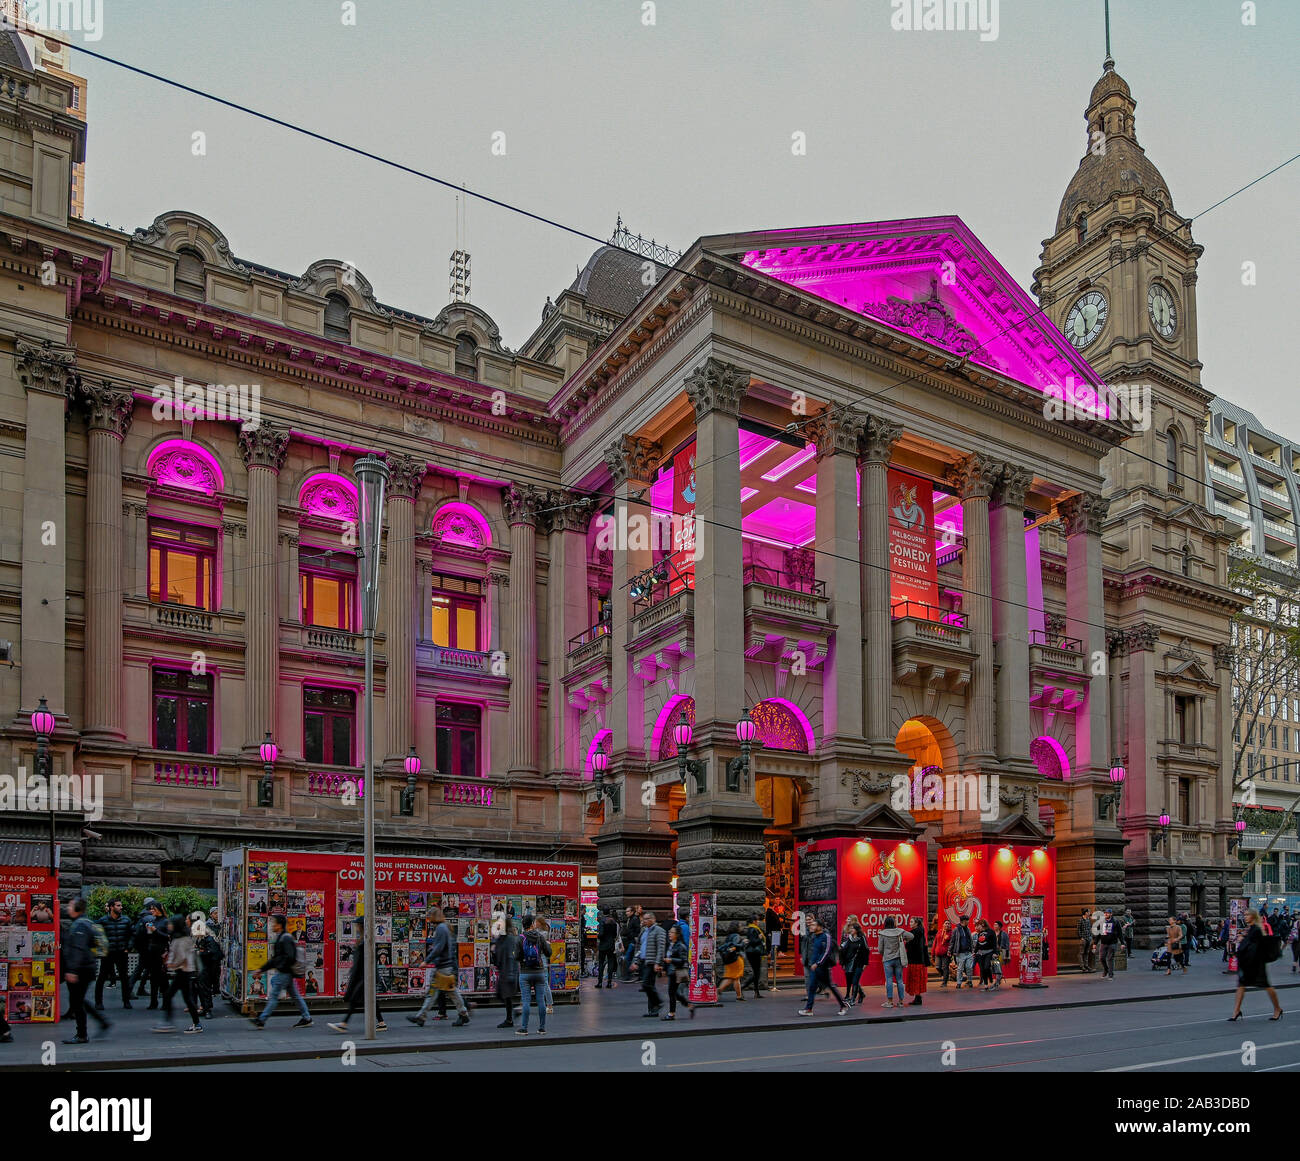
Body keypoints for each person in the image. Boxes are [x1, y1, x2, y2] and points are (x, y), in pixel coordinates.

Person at [409, 906, 470, 1028]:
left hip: (443, 967)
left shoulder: (441, 928)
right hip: (445, 966)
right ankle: (422, 1016)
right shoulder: (444, 927)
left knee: (443, 992)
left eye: (429, 916)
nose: (428, 919)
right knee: (443, 991)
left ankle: (462, 1014)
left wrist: (426, 961)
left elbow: (439, 948)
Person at [62, 897, 110, 1045]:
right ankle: (102, 1022)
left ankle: (82, 1034)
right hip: (86, 967)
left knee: (77, 1001)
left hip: (81, 969)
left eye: (70, 906)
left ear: (78, 909)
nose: (68, 908)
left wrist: (72, 970)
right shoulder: (84, 923)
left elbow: (78, 949)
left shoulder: (80, 926)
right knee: (79, 1000)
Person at [252, 913, 312, 1028]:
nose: (272, 925)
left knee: (274, 995)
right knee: (295, 995)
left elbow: (288, 957)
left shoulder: (285, 938)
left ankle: (262, 1019)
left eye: (274, 923)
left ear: (279, 925)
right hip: (286, 972)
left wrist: (281, 966)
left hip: (284, 972)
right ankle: (307, 1017)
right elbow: (276, 958)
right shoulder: (282, 937)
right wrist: (262, 969)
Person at [328, 920, 387, 1032]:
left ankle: (344, 1023)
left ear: (361, 926)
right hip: (364, 976)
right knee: (371, 1000)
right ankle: (381, 1023)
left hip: (365, 976)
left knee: (355, 1000)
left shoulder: (365, 941)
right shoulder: (365, 940)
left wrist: (354, 977)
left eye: (357, 925)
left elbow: (362, 962)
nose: (356, 927)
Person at [1228, 909, 1283, 1022]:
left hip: (1256, 964)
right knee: (1241, 986)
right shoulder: (1250, 929)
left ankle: (1277, 1008)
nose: (1245, 917)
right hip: (1247, 963)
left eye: (1247, 915)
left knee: (1267, 986)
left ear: (1253, 916)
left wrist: (1242, 940)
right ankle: (1236, 1011)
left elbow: (1254, 947)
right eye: (1245, 915)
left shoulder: (1256, 930)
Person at [154, 914, 203, 1034]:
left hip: (183, 972)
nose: (169, 926)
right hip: (185, 971)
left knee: (170, 995)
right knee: (187, 999)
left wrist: (170, 964)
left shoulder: (179, 940)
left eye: (171, 923)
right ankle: (196, 1024)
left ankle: (168, 1022)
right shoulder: (183, 938)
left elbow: (181, 957)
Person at [798, 916, 848, 1016]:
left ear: (820, 927)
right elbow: (813, 951)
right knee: (812, 987)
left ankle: (843, 1005)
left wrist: (818, 963)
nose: (811, 926)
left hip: (823, 968)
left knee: (831, 986)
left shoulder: (826, 936)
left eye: (813, 925)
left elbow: (826, 952)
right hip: (814, 967)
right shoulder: (814, 937)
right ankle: (808, 1009)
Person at [93, 898, 134, 1012]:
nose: (121, 907)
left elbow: (132, 934)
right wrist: (101, 948)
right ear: (111, 907)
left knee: (124, 978)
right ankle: (98, 1002)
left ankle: (126, 1001)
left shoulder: (126, 920)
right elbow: (96, 933)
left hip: (121, 952)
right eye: (118, 905)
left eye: (120, 905)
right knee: (102, 977)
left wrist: (128, 947)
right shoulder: (103, 920)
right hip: (108, 953)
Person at [130, 898, 169, 1007]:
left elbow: (168, 937)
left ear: (158, 909)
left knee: (162, 979)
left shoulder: (165, 921)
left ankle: (165, 1002)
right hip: (152, 952)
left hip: (161, 953)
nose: (151, 911)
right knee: (153, 978)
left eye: (153, 909)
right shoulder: (153, 920)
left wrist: (155, 931)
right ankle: (153, 1002)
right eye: (151, 909)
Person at [516, 913, 552, 1034]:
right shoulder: (540, 937)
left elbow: (516, 956)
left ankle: (524, 1028)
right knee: (541, 1001)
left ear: (523, 925)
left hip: (525, 973)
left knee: (526, 1001)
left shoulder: (520, 938)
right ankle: (542, 1028)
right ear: (532, 924)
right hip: (539, 972)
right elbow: (549, 953)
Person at [876, 916, 913, 1008]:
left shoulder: (882, 934)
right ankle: (901, 1002)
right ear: (893, 923)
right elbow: (911, 936)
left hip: (887, 960)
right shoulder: (899, 932)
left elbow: (880, 949)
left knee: (889, 980)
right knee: (900, 980)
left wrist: (885, 953)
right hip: (898, 959)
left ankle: (889, 1002)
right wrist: (904, 940)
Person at [492, 918, 521, 1028]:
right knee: (501, 994)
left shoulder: (509, 939)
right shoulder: (503, 938)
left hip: (508, 971)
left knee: (505, 995)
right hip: (504, 970)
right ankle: (514, 1011)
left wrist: (510, 974)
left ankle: (509, 1019)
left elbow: (510, 956)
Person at [637, 909, 667, 1017]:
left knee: (646, 984)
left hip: (652, 962)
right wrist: (636, 961)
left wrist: (658, 963)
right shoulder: (644, 931)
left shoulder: (659, 931)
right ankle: (653, 1010)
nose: (645, 921)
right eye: (644, 919)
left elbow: (661, 948)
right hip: (643, 961)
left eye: (648, 919)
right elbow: (639, 946)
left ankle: (658, 1002)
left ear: (653, 919)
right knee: (649, 985)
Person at [194, 911, 223, 1019]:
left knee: (205, 989)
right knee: (203, 988)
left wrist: (201, 953)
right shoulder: (202, 940)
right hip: (205, 968)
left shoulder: (209, 939)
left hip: (209, 968)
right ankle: (205, 1008)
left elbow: (213, 953)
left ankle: (207, 1009)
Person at [663, 922, 693, 1019]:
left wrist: (671, 960)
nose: (670, 934)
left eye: (672, 932)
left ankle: (671, 1013)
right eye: (670, 932)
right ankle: (688, 1005)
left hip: (677, 972)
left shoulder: (681, 946)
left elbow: (683, 960)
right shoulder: (672, 944)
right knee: (674, 993)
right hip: (672, 971)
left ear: (677, 934)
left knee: (672, 993)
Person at [839, 919, 868, 1005]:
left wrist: (865, 963)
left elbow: (866, 951)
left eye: (852, 928)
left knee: (855, 981)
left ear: (856, 930)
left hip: (859, 963)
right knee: (852, 981)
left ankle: (852, 999)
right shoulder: (849, 939)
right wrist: (843, 962)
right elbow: (844, 951)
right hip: (849, 963)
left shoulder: (862, 938)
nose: (850, 930)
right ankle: (861, 994)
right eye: (850, 928)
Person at [718, 923, 746, 1002]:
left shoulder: (728, 936)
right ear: (736, 928)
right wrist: (743, 943)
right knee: (735, 977)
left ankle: (739, 995)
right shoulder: (736, 936)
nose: (741, 927)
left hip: (728, 959)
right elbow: (736, 945)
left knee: (732, 977)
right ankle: (721, 990)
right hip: (735, 959)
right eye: (740, 926)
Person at [904, 917, 929, 1005]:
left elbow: (909, 946)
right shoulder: (921, 932)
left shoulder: (913, 934)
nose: (910, 923)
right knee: (918, 979)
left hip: (914, 959)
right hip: (919, 960)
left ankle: (917, 998)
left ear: (916, 923)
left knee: (914, 978)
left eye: (911, 922)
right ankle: (917, 997)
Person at [595, 908, 619, 989]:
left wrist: (598, 935)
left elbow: (601, 934)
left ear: (603, 912)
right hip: (611, 945)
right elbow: (615, 935)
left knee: (601, 963)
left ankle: (600, 982)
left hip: (603, 945)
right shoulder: (613, 922)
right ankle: (609, 982)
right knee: (611, 963)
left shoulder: (602, 921)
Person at [743, 914, 766, 998]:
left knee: (757, 973)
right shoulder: (753, 929)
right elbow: (752, 942)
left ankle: (756, 992)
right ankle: (744, 986)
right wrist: (759, 938)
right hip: (754, 953)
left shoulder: (752, 928)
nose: (758, 922)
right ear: (754, 921)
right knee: (757, 973)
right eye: (757, 920)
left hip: (753, 953)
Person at [951, 914, 974, 987]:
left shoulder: (968, 929)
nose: (968, 922)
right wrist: (950, 951)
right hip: (960, 953)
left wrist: (972, 950)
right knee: (960, 969)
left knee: (969, 967)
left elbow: (970, 940)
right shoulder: (956, 930)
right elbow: (952, 941)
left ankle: (970, 981)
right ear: (963, 921)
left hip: (968, 952)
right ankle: (959, 983)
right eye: (967, 920)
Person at [974, 919, 997, 989]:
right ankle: (986, 985)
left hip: (989, 952)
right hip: (980, 953)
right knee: (982, 969)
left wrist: (995, 953)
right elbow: (978, 944)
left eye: (979, 925)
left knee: (986, 967)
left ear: (983, 924)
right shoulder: (980, 933)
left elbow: (994, 943)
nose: (978, 927)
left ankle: (990, 978)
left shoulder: (991, 932)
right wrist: (974, 952)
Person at [1096, 909, 1119, 979]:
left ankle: (1110, 974)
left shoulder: (1115, 922)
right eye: (1105, 913)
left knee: (1110, 959)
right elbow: (1098, 933)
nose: (1106, 914)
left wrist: (1123, 943)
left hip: (1112, 943)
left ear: (1111, 914)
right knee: (1101, 958)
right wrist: (1095, 943)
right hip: (1103, 943)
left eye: (1107, 913)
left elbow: (1120, 933)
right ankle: (1106, 969)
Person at [622, 906, 642, 982]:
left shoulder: (635, 919)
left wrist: (632, 936)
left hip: (633, 942)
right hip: (630, 941)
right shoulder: (630, 919)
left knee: (628, 958)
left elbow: (637, 930)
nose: (626, 913)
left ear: (632, 912)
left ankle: (628, 976)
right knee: (631, 958)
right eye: (626, 911)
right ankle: (632, 975)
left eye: (628, 911)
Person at [932, 920, 953, 987]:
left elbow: (952, 944)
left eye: (948, 924)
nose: (947, 925)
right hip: (937, 953)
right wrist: (933, 952)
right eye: (946, 923)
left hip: (946, 954)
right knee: (938, 967)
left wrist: (950, 952)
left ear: (950, 925)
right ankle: (945, 976)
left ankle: (944, 982)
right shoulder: (939, 932)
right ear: (943, 925)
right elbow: (935, 942)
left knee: (945, 967)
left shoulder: (951, 933)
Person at [992, 919, 1010, 989]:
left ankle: (997, 982)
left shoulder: (1004, 934)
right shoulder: (993, 933)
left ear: (999, 926)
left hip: (1002, 952)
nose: (994, 926)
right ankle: (998, 979)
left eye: (996, 925)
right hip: (994, 952)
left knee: (998, 966)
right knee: (996, 966)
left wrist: (1007, 954)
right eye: (994, 925)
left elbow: (1007, 944)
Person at [1077, 908, 1094, 973]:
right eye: (1088, 912)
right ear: (1086, 913)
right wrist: (1081, 937)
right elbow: (1078, 930)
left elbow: (1090, 928)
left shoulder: (1088, 920)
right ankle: (1082, 966)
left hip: (1088, 938)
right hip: (1083, 939)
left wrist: (1091, 936)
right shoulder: (1080, 920)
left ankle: (1086, 965)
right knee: (1081, 952)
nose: (1089, 913)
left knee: (1087, 952)